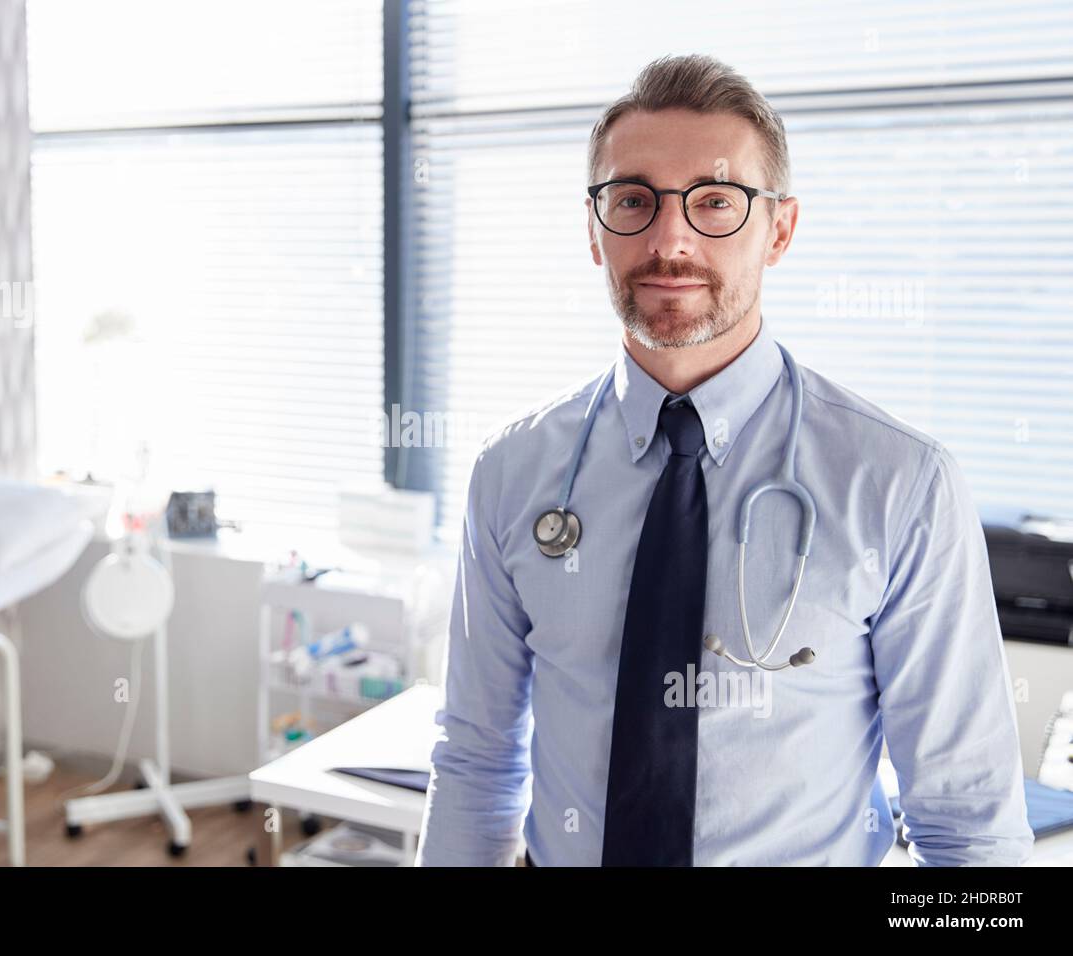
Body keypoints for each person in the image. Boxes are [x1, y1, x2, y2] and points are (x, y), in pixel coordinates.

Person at [414, 53, 1033, 867]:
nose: (670, 240)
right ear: (594, 230)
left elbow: (968, 827)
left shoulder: (899, 484)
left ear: (779, 229)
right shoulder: (512, 471)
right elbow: (477, 760)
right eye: (633, 200)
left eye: (715, 201)